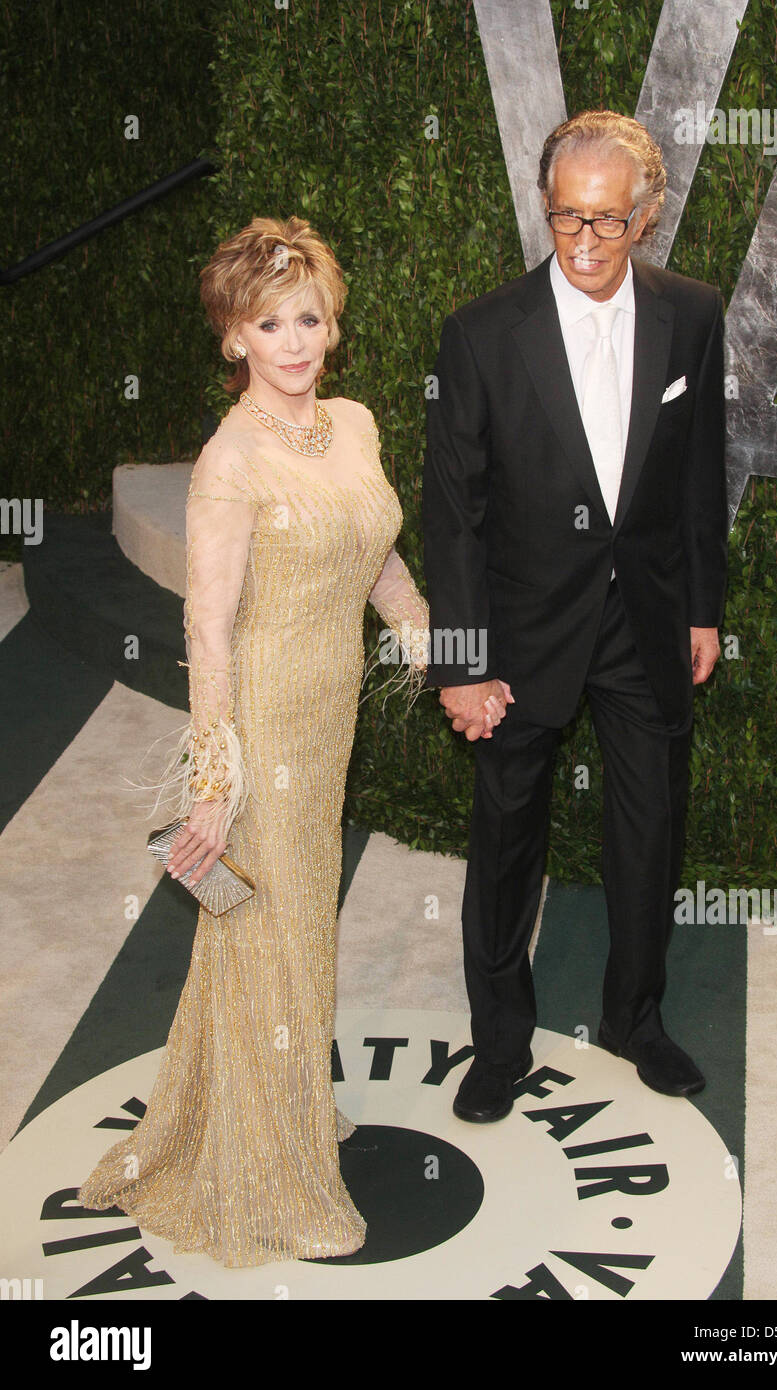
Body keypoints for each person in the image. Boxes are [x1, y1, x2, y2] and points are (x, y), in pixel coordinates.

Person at [76, 215, 439, 1266]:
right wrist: (212, 780)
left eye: (310, 317)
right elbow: (208, 625)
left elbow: (377, 559)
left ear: (333, 326)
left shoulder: (356, 425)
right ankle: (273, 1170)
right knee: (267, 932)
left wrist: (431, 641)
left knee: (292, 925)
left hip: (329, 725)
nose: (294, 341)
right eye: (269, 322)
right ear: (233, 336)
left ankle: (278, 1106)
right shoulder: (229, 461)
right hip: (263, 718)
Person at [422, 110, 727, 1122]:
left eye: (606, 220)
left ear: (644, 216)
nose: (585, 243)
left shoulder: (690, 313)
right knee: (505, 839)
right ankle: (498, 1042)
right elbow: (451, 516)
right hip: (516, 635)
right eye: (565, 219)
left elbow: (694, 480)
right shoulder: (478, 333)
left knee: (649, 829)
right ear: (545, 211)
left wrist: (700, 608)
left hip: (642, 621)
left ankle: (635, 1019)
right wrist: (459, 661)